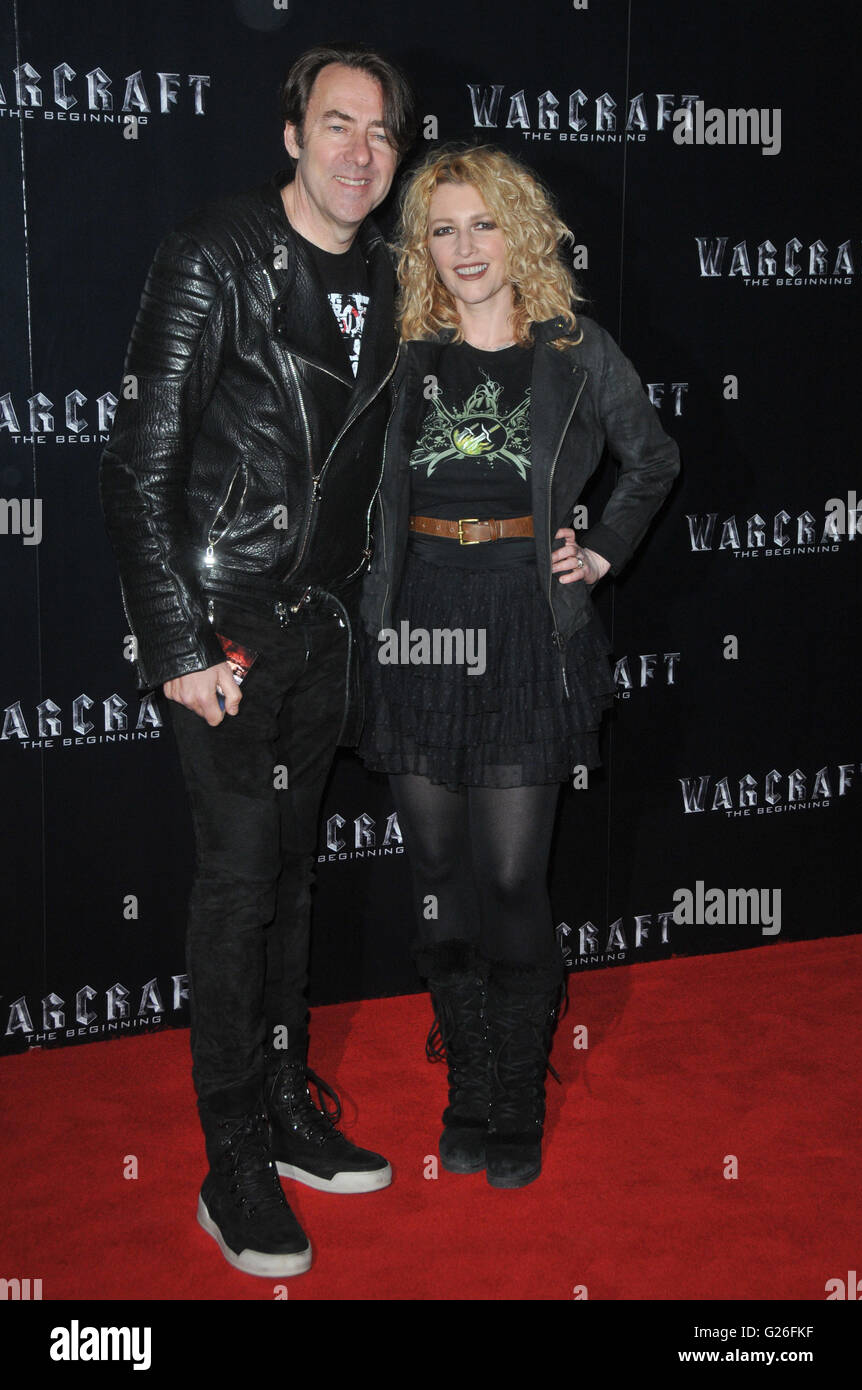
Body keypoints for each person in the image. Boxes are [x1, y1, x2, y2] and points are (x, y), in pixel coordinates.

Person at [99, 43, 416, 1277]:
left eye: (381, 132)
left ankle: (282, 1107)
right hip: (225, 630)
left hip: (323, 632)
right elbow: (137, 465)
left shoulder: (395, 276)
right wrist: (180, 644)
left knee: (290, 877)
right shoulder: (213, 253)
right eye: (337, 124)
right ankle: (227, 1158)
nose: (358, 151)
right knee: (238, 885)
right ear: (291, 134)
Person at [358, 145, 680, 1189]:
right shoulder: (402, 353)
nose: (462, 248)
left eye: (482, 224)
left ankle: (514, 1094)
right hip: (418, 626)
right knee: (437, 877)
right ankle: (470, 1088)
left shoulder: (574, 349)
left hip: (524, 625)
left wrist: (598, 551)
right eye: (442, 228)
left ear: (520, 232)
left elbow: (652, 456)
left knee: (506, 876)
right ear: (423, 245)